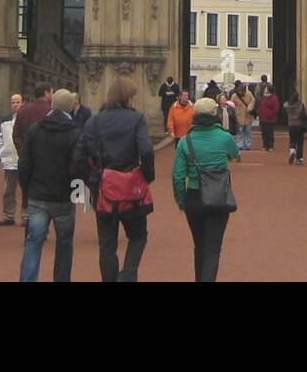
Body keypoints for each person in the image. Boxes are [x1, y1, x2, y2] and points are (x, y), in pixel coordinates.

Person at [75, 77, 156, 282]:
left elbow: (79, 155)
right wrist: (147, 176)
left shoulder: (94, 121)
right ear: (128, 97)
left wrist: (93, 179)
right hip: (131, 188)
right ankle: (127, 275)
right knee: (138, 236)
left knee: (107, 244)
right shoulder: (136, 119)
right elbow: (146, 151)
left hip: (103, 187)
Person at [172, 96, 241, 282]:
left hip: (193, 196)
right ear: (215, 114)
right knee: (212, 248)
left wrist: (181, 200)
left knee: (199, 245)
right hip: (218, 193)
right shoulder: (225, 137)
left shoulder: (185, 141)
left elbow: (178, 175)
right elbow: (235, 154)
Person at [18, 89, 83, 282]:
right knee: (64, 244)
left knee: (33, 242)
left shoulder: (35, 129)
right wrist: (74, 191)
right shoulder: (74, 132)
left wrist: (27, 189)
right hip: (63, 197)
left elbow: (24, 164)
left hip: (37, 195)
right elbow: (77, 167)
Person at [13, 84, 53, 217]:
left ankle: (26, 212)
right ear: (46, 93)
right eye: (51, 92)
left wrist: (23, 151)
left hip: (27, 157)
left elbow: (16, 134)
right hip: (47, 157)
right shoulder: (51, 111)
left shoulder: (22, 111)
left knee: (27, 184)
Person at [0, 93, 23, 226]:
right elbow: (0, 138)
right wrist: (1, 151)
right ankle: (8, 215)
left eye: (18, 102)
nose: (15, 104)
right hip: (10, 160)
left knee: (26, 190)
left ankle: (26, 216)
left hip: (23, 160)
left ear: (22, 103)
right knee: (9, 190)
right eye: (13, 102)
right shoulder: (5, 119)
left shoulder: (25, 117)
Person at [285, 92, 307, 165]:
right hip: (300, 125)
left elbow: (284, 105)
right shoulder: (301, 105)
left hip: (291, 124)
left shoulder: (288, 105)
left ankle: (292, 150)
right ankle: (300, 159)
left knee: (292, 140)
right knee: (300, 143)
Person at [255, 84, 280, 152]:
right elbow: (260, 106)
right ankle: (265, 145)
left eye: (266, 88)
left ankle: (270, 146)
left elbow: (275, 109)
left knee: (270, 133)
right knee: (264, 133)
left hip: (270, 119)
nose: (265, 90)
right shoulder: (263, 97)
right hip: (262, 118)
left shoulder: (274, 98)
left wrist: (269, 114)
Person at [231, 82, 255, 151]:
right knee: (240, 131)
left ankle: (248, 145)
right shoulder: (234, 96)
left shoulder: (249, 94)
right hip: (238, 115)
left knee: (248, 130)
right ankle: (239, 145)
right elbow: (232, 105)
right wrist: (234, 111)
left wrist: (250, 107)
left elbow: (253, 101)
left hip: (248, 115)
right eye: (239, 91)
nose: (241, 93)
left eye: (242, 91)